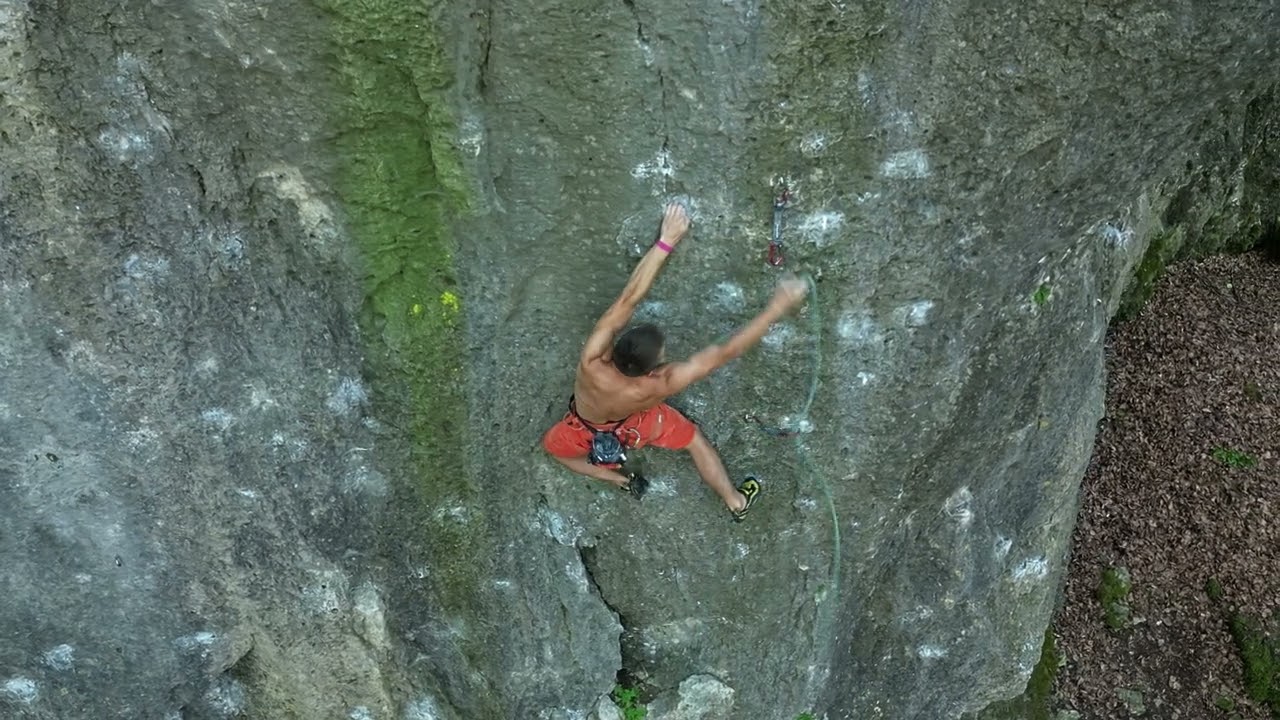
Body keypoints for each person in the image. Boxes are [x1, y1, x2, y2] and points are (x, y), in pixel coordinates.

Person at [541, 202, 810, 521]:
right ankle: (735, 502)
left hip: (583, 427)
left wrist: (665, 241)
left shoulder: (592, 360)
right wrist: (776, 308)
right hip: (635, 427)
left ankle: (619, 479)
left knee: (556, 450)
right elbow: (726, 352)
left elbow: (628, 299)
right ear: (653, 370)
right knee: (693, 440)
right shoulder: (659, 385)